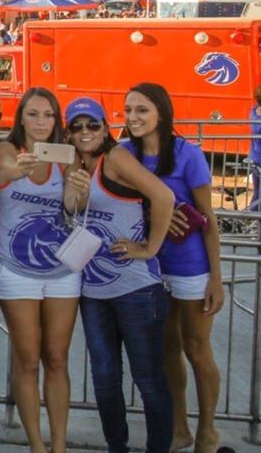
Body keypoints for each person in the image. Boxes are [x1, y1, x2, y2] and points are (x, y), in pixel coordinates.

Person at [62, 96, 175, 453]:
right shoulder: (76, 165)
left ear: (105, 128)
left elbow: (163, 196)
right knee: (106, 379)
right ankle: (117, 446)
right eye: (76, 126)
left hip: (136, 289)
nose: (85, 132)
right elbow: (73, 214)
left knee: (149, 379)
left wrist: (150, 247)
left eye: (92, 125)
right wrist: (73, 192)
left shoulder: (117, 158)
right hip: (93, 292)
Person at [121, 83, 223, 453]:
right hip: (150, 269)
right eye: (128, 109)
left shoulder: (188, 154)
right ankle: (179, 427)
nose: (133, 117)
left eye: (142, 110)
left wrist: (217, 277)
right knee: (166, 349)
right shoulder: (125, 153)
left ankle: (208, 430)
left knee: (197, 349)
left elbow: (209, 218)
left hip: (190, 267)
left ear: (161, 113)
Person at [0, 88, 79, 453]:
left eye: (48, 115)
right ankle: (36, 445)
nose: (41, 122)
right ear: (21, 117)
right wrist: (20, 168)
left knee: (56, 359)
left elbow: (73, 208)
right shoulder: (7, 151)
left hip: (62, 270)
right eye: (33, 114)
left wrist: (79, 191)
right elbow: (6, 171)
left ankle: (58, 445)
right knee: (27, 359)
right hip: (16, 269)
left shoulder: (66, 158)